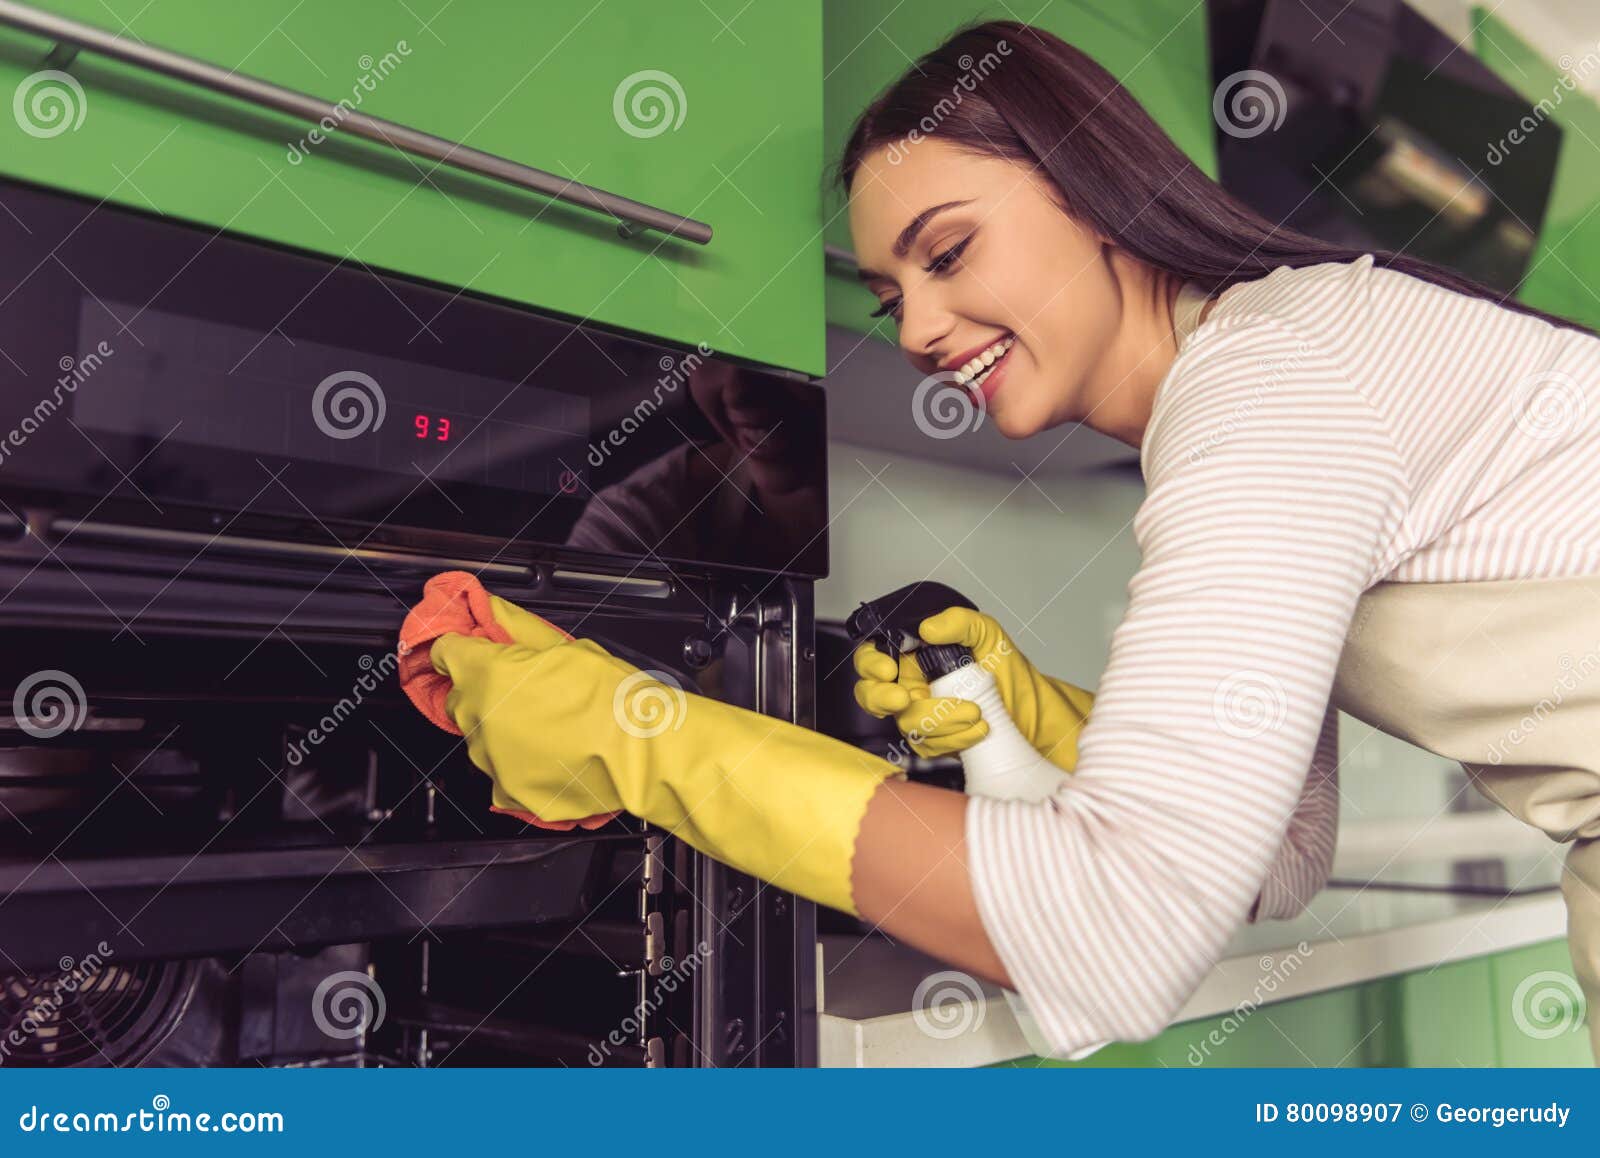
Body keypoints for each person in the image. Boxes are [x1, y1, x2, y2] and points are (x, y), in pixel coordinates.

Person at [429, 20, 1600, 1062]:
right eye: (892, 299)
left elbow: (1118, 937)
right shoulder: (1253, 390)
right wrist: (1037, 712)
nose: (922, 329)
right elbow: (1279, 859)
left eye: (948, 253)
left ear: (1095, 194)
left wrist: (641, 740)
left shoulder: (1271, 383)